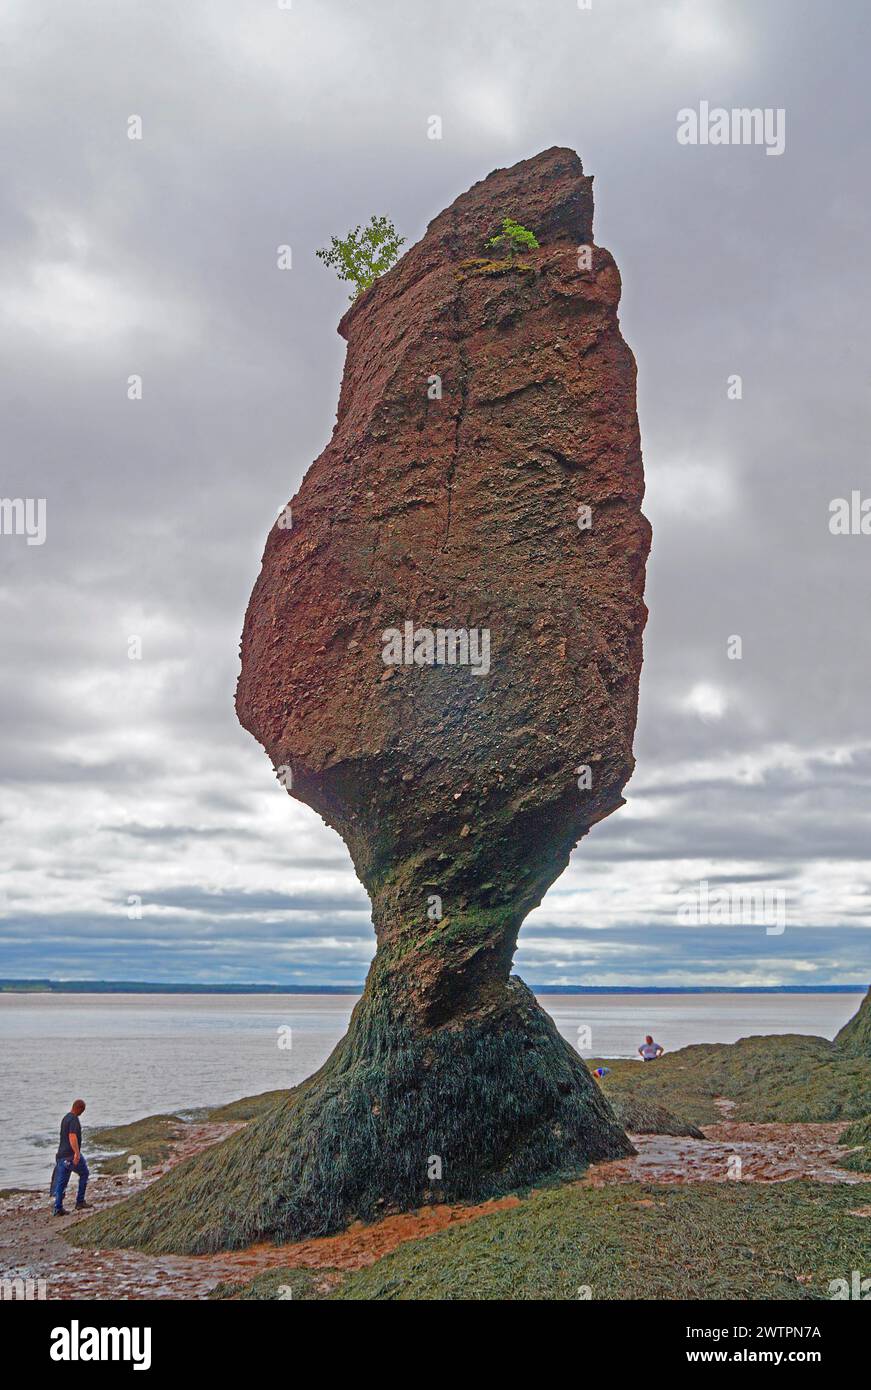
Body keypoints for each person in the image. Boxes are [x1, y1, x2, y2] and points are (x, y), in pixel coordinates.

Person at [51, 1099, 90, 1216]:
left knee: (61, 1182)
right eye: (82, 1111)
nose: (82, 1113)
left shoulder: (65, 1118)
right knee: (84, 1173)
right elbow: (72, 1136)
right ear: (78, 1108)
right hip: (70, 1155)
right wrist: (77, 1153)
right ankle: (80, 1201)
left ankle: (58, 1208)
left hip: (61, 1156)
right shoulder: (74, 1119)